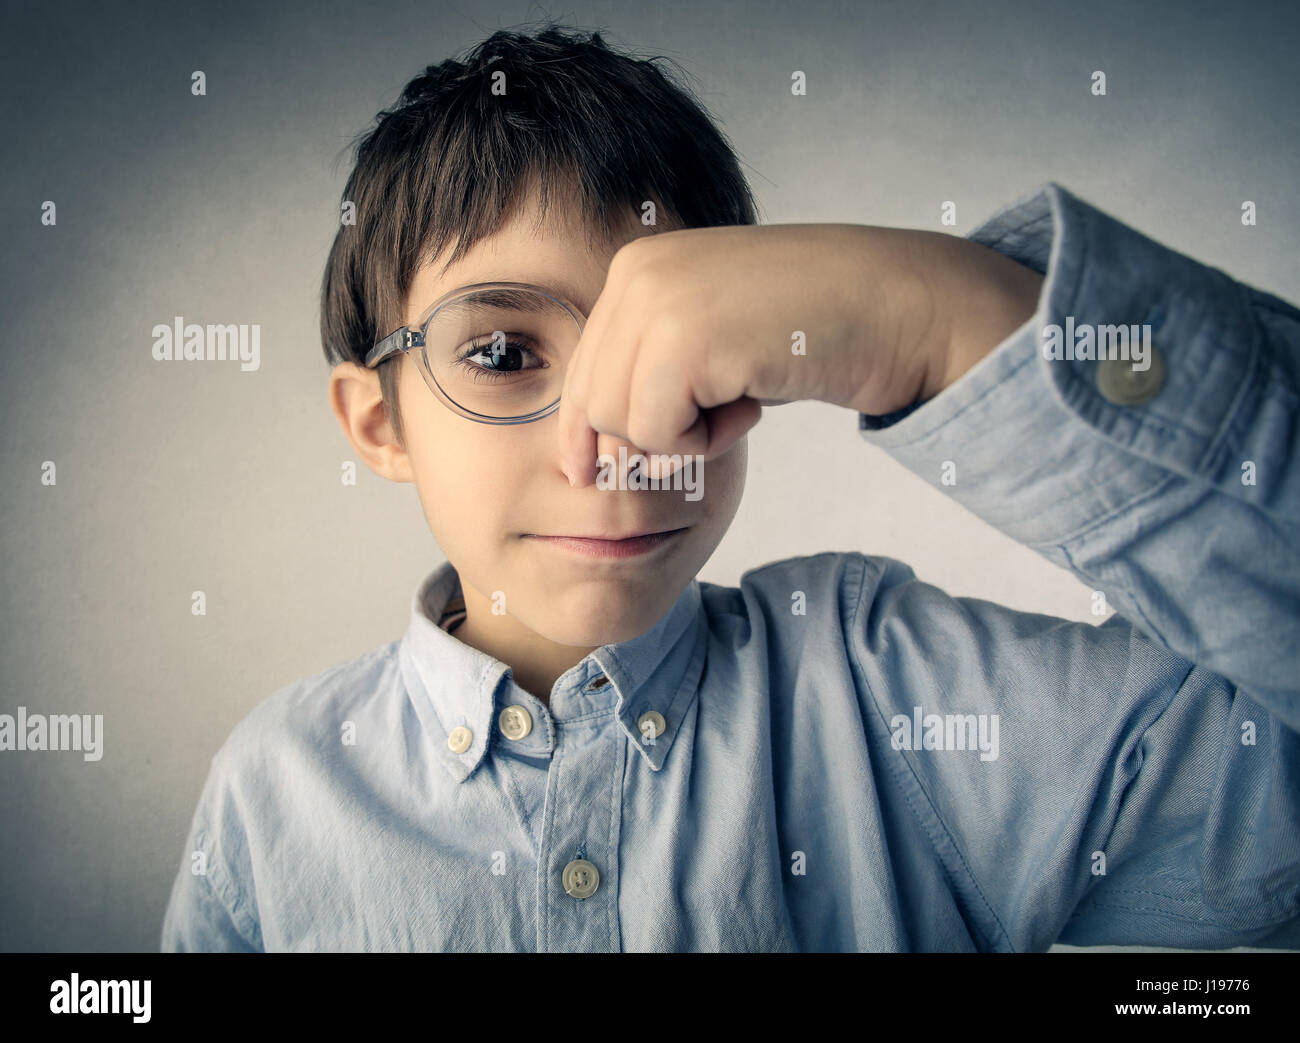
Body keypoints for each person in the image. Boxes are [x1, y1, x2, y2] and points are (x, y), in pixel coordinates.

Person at [161, 23, 1300, 952]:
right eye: (503, 353)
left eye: (667, 352)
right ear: (378, 421)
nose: (605, 444)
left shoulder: (888, 689)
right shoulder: (275, 791)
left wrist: (947, 317)